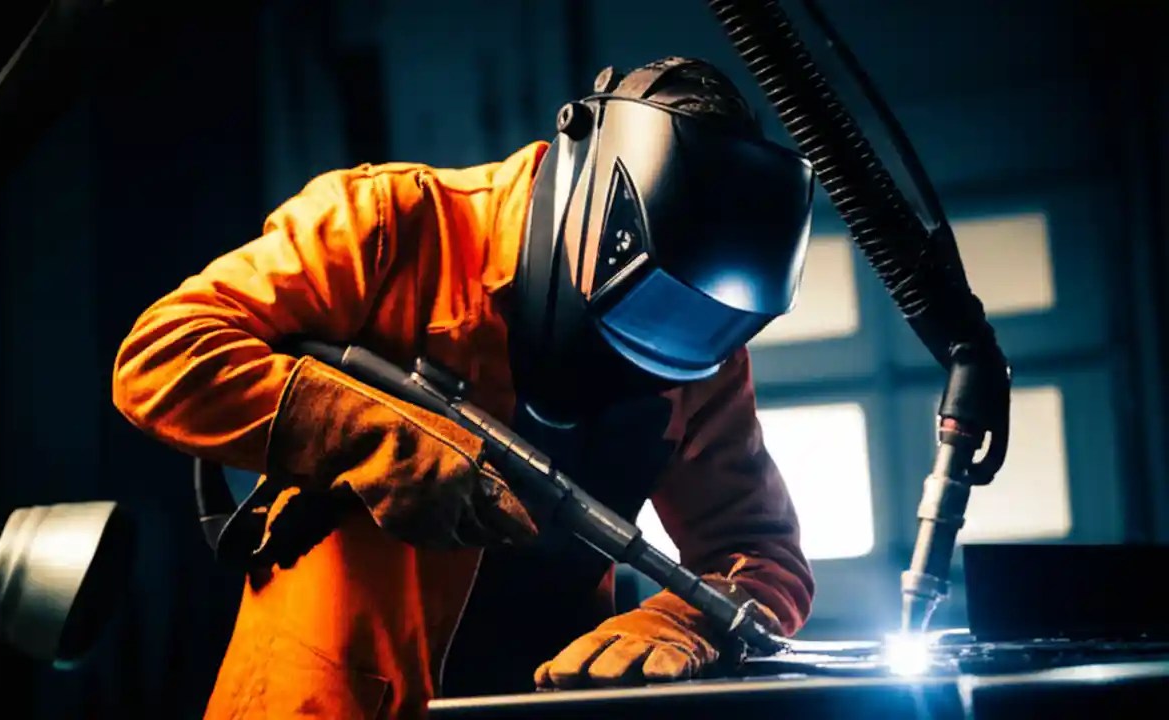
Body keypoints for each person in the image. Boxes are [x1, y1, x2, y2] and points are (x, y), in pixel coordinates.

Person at [113, 56, 817, 720]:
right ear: (581, 190)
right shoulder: (392, 225)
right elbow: (163, 354)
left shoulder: (700, 351)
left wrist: (683, 620)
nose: (650, 359)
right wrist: (372, 438)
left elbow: (758, 552)